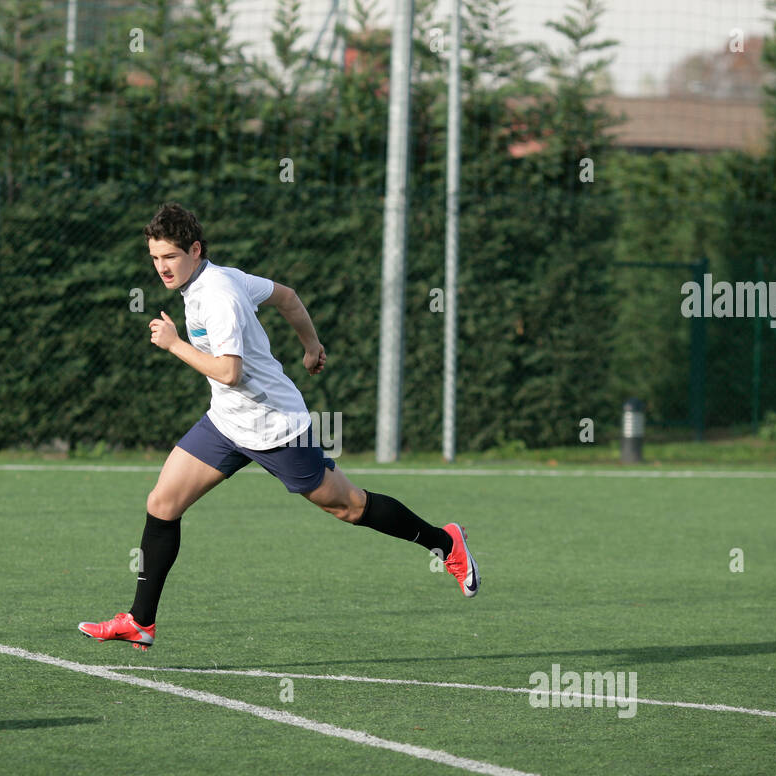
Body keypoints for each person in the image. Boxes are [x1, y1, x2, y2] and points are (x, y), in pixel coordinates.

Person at [79, 202, 478, 650]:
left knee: (348, 506)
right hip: (228, 423)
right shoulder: (217, 278)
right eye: (154, 258)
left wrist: (173, 345)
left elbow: (228, 372)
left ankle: (445, 542)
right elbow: (287, 296)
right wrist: (312, 346)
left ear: (194, 250)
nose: (161, 268)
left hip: (274, 427)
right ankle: (140, 620)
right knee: (163, 503)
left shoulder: (219, 295)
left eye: (170, 257)